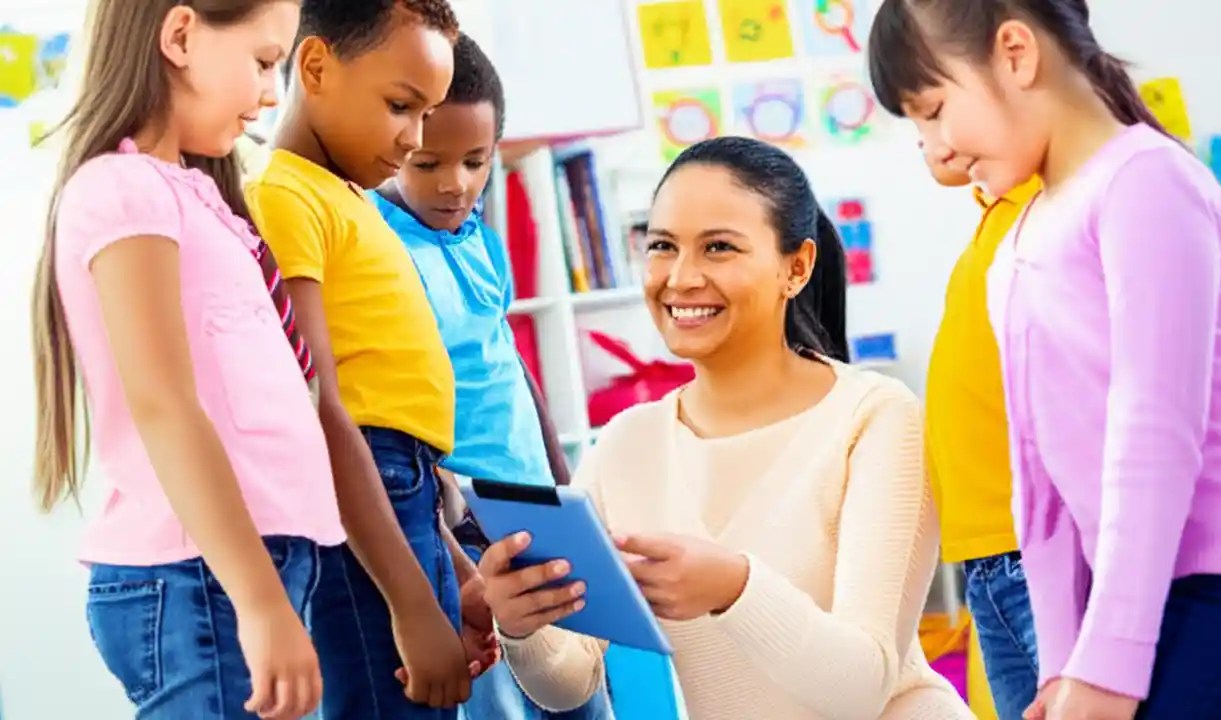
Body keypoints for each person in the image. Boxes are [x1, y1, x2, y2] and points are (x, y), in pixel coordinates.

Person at [868, 1, 1221, 718]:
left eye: (933, 110)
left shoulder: (1148, 183)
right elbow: (1039, 475)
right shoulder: (1021, 240)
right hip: (1151, 580)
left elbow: (1155, 430)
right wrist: (1065, 661)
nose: (938, 148)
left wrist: (1111, 664)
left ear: (1017, 54)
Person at [473, 136, 972, 719]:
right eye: (662, 246)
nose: (680, 278)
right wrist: (522, 626)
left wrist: (735, 589)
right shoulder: (628, 443)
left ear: (797, 266)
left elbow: (861, 687)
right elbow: (570, 682)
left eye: (718, 248)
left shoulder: (875, 417)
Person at [31, 1, 345, 718]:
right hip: (201, 578)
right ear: (179, 36)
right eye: (265, 62)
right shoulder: (121, 189)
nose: (273, 93)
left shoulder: (196, 192)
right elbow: (164, 404)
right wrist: (260, 600)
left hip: (229, 571)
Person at [244, 2, 493, 717]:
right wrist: (413, 605)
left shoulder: (349, 199)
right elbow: (323, 410)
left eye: (427, 113)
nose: (413, 138)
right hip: (363, 503)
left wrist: (452, 568)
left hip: (399, 492)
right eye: (399, 106)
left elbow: (392, 435)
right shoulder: (284, 193)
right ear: (316, 66)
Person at [372, 34, 614, 720]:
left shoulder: (475, 228)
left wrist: (566, 487)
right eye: (428, 163)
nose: (456, 183)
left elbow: (506, 361)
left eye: (476, 162)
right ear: (395, 148)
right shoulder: (380, 246)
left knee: (583, 698)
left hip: (541, 511)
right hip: (467, 526)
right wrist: (453, 558)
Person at [910, 132, 1042, 718]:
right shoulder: (996, 219)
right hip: (991, 558)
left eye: (934, 109)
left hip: (1037, 553)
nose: (924, 133)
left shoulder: (1046, 212)